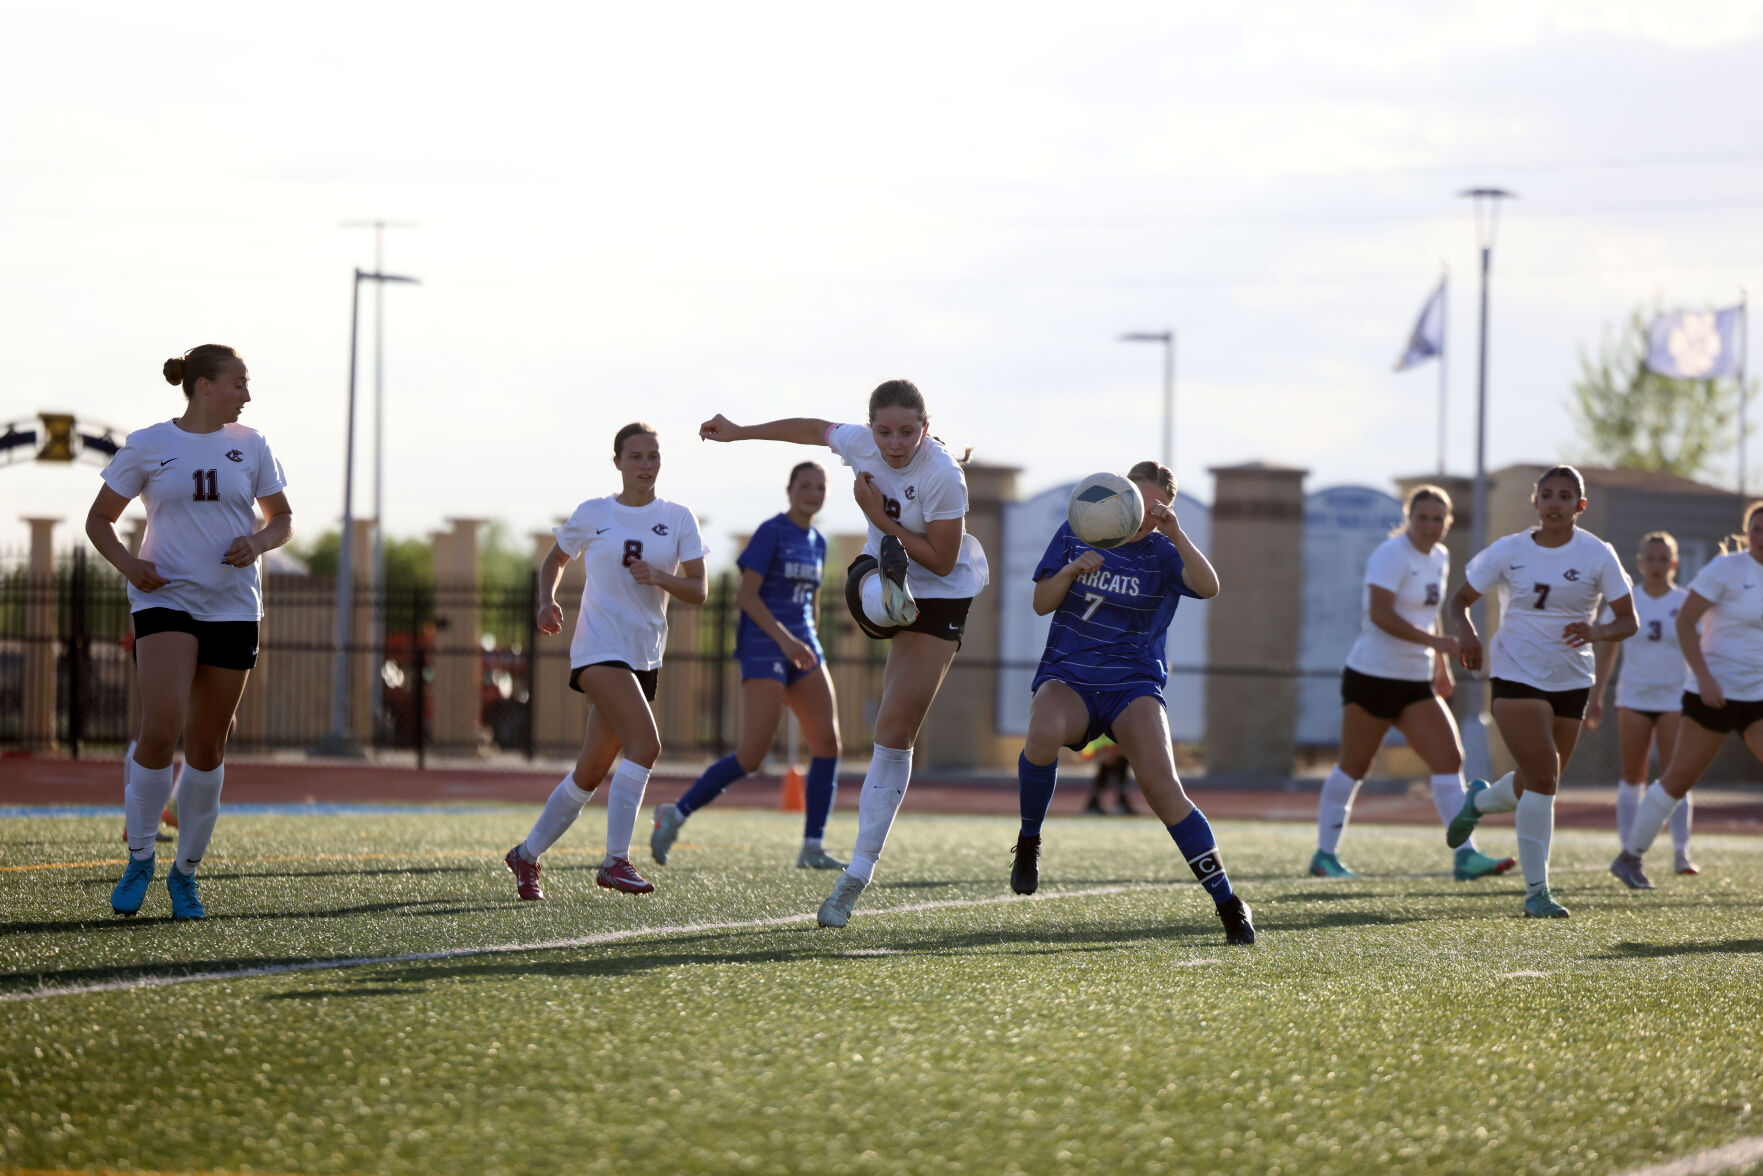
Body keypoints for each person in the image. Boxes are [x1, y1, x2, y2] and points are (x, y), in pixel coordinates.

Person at [699, 378, 989, 927]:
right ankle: (888, 596)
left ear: (925, 429)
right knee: (873, 593)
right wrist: (740, 432)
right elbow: (811, 429)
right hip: (882, 574)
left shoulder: (943, 475)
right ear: (870, 427)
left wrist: (881, 519)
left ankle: (856, 874)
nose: (894, 443)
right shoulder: (859, 442)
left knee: (894, 730)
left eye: (906, 432)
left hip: (942, 593)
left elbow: (944, 561)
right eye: (884, 432)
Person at [86, 344, 293, 920]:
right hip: (165, 599)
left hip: (232, 606)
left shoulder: (253, 444)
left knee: (207, 745)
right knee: (160, 728)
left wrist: (258, 542)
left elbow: (282, 519)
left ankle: (186, 874)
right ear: (205, 385)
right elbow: (98, 520)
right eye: (238, 383)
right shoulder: (149, 443)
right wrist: (130, 566)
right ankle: (140, 858)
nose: (246, 394)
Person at [1011, 461, 1254, 945]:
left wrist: (1178, 535)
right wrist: (1072, 570)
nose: (1143, 514)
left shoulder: (1163, 551)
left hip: (1132, 684)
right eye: (1137, 501)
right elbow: (1041, 603)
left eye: (1156, 507)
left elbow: (1209, 586)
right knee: (1041, 733)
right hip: (1071, 676)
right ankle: (1029, 839)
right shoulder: (1079, 530)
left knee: (1163, 788)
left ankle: (1228, 902)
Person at [504, 423, 707, 901]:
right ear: (617, 462)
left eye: (653, 456)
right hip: (597, 649)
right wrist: (546, 601)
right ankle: (616, 861)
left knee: (591, 771)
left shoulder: (678, 518)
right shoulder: (594, 512)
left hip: (644, 654)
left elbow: (698, 590)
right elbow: (555, 560)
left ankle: (526, 854)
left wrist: (660, 577)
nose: (645, 465)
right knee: (646, 744)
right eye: (635, 456)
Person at [1443, 465, 1635, 919]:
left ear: (1579, 506)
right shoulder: (1509, 550)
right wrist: (1466, 630)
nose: (1554, 503)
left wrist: (1596, 631)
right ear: (1535, 501)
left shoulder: (1598, 553)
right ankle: (1537, 893)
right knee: (1545, 774)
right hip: (1515, 672)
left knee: (1538, 780)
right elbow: (1459, 600)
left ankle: (1478, 801)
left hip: (1572, 679)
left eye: (1565, 496)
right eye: (1547, 494)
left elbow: (1629, 621)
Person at [1311, 486, 1513, 882]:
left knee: (1449, 758)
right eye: (1422, 517)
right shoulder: (1391, 554)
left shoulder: (1440, 556)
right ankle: (1325, 855)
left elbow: (1431, 613)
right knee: (1354, 765)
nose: (1429, 526)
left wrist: (1441, 665)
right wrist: (1436, 644)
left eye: (1438, 519)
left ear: (1447, 523)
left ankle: (1465, 856)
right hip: (1372, 677)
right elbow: (1380, 614)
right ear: (1409, 518)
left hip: (1414, 681)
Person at [650, 461, 845, 869]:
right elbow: (746, 596)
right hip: (764, 647)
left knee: (828, 744)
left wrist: (807, 642)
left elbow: (810, 603)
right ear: (789, 490)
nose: (813, 493)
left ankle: (812, 847)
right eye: (805, 485)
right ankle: (676, 812)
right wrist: (786, 641)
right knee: (753, 755)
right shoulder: (772, 531)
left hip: (803, 647)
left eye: (820, 487)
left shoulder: (818, 542)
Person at [1612, 503, 1763, 889]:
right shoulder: (1726, 569)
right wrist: (1705, 678)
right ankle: (1630, 857)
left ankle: (1669, 853)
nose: (1762, 537)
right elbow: (1684, 622)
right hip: (1714, 692)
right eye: (1757, 529)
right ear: (1747, 533)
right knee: (1678, 778)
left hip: (1757, 694)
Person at [1587, 532, 1695, 873]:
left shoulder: (1686, 602)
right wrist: (1596, 696)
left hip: (1674, 698)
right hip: (1634, 697)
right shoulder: (1626, 600)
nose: (1657, 565)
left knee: (1676, 774)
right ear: (1639, 562)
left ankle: (1681, 853)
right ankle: (1629, 853)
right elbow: (1608, 652)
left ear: (1674, 563)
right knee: (1632, 774)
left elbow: (1699, 650)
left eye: (1664, 559)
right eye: (1651, 558)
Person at [1081, 736, 1136, 815]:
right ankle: (1094, 805)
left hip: (1106, 749)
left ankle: (1119, 802)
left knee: (1114, 771)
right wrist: (1108, 753)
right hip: (1104, 750)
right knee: (1109, 772)